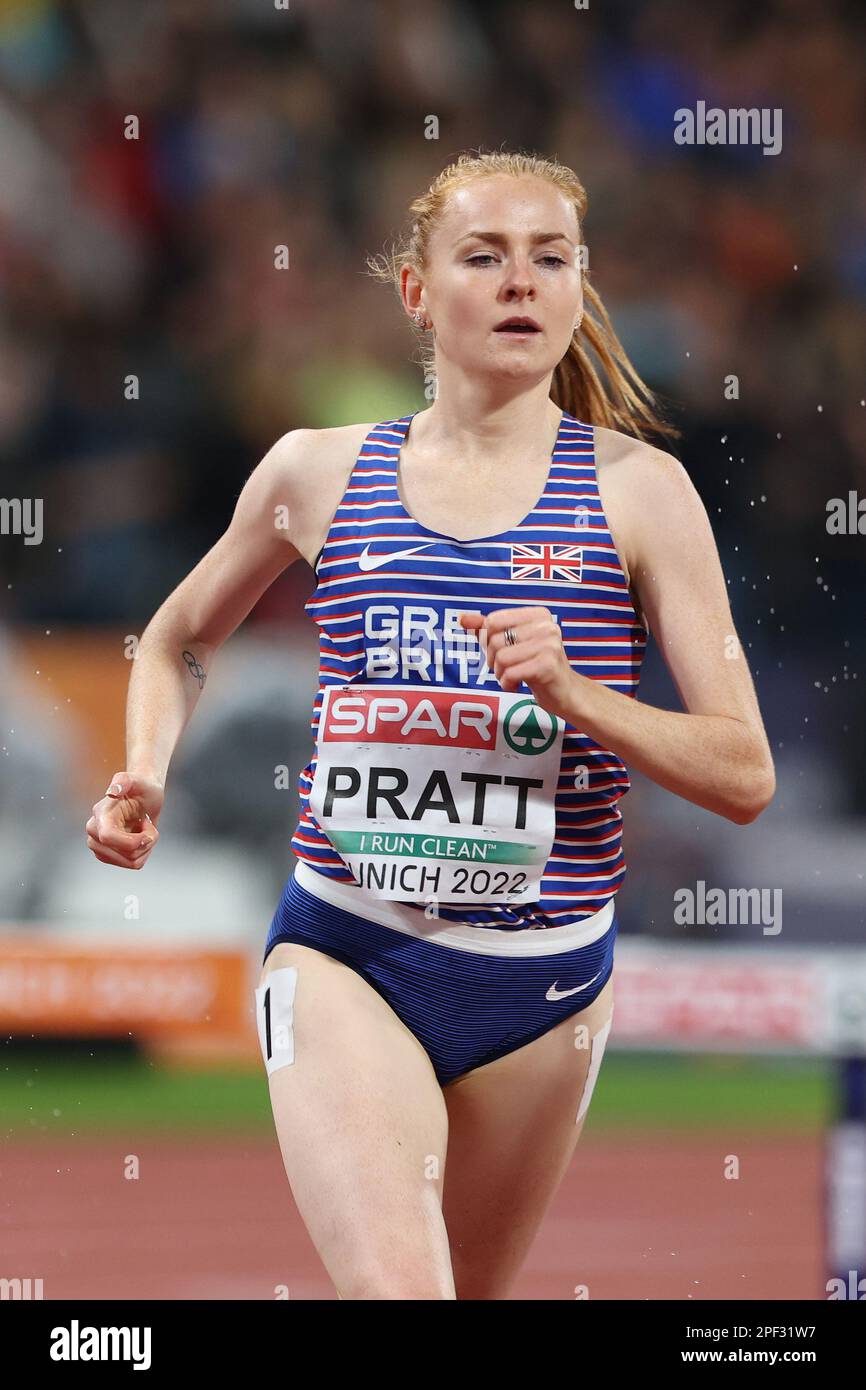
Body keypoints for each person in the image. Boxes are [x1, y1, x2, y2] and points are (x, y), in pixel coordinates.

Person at [86, 150, 775, 1300]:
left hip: (545, 985)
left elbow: (742, 769)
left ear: (578, 285)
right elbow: (175, 636)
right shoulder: (315, 472)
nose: (521, 283)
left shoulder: (638, 492)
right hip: (348, 949)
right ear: (416, 292)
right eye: (484, 257)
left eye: (549, 259)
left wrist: (579, 697)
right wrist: (145, 766)